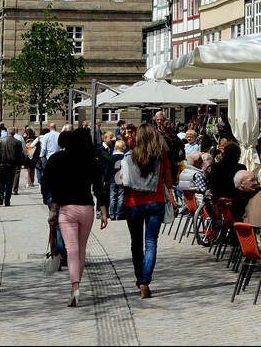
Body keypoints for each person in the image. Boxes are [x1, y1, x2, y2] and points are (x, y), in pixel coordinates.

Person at [46, 130, 108, 306]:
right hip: (86, 208)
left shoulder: (61, 160)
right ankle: (77, 285)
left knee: (71, 250)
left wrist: (53, 210)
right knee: (81, 251)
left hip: (67, 209)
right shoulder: (93, 162)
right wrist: (103, 212)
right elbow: (99, 189)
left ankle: (75, 287)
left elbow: (56, 187)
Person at [119, 122, 174, 299]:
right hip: (155, 202)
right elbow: (170, 182)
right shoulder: (161, 155)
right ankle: (145, 281)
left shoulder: (129, 157)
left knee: (136, 243)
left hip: (133, 203)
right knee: (151, 243)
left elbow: (122, 182)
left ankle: (138, 279)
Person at [0, 127, 25, 206]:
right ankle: (7, 200)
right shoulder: (17, 142)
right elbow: (19, 155)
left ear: (7, 132)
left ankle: (1, 195)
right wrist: (19, 164)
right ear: (14, 133)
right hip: (12, 165)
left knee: (1, 181)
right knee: (9, 183)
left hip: (2, 164)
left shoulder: (0, 140)